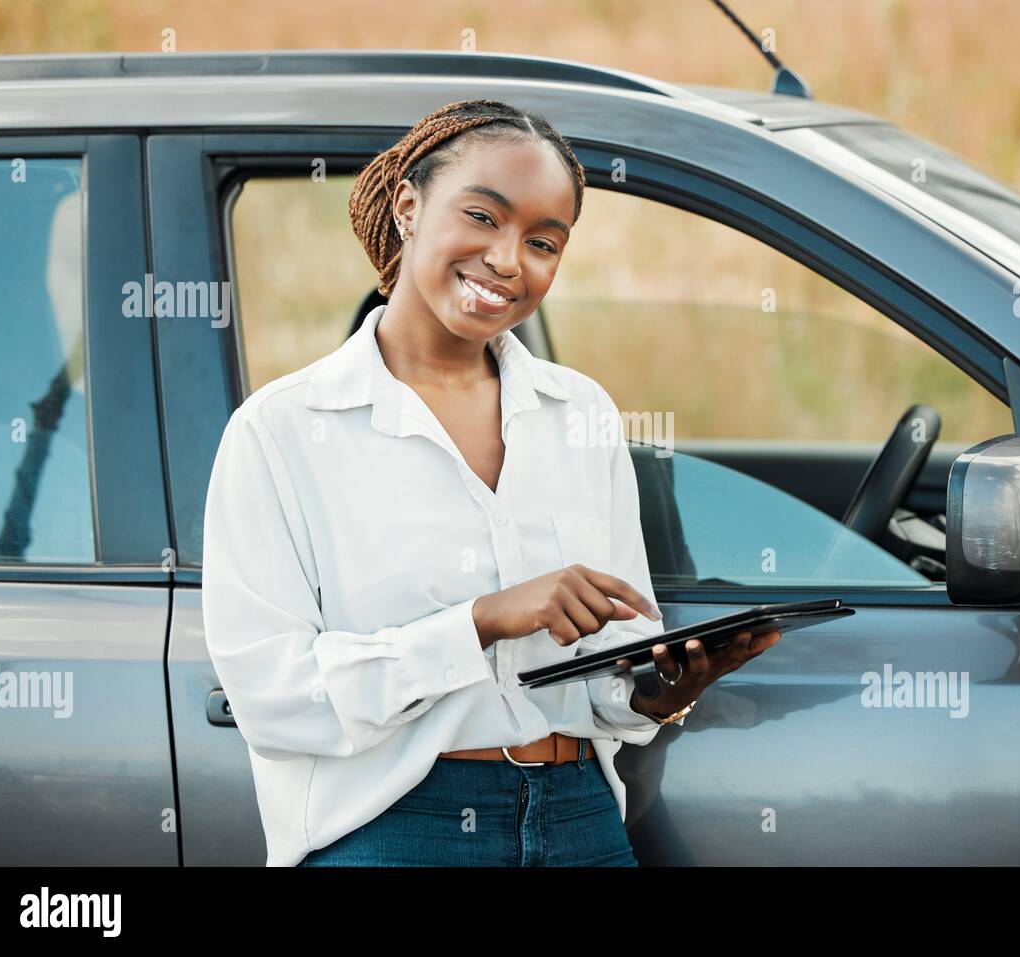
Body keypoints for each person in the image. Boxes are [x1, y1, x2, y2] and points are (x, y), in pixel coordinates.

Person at [201, 98, 782, 867]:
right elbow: (274, 701)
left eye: (543, 241)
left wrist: (655, 692)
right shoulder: (280, 432)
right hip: (399, 827)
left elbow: (613, 653)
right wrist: (480, 620)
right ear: (409, 207)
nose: (509, 260)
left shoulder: (582, 413)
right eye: (483, 216)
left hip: (579, 817)